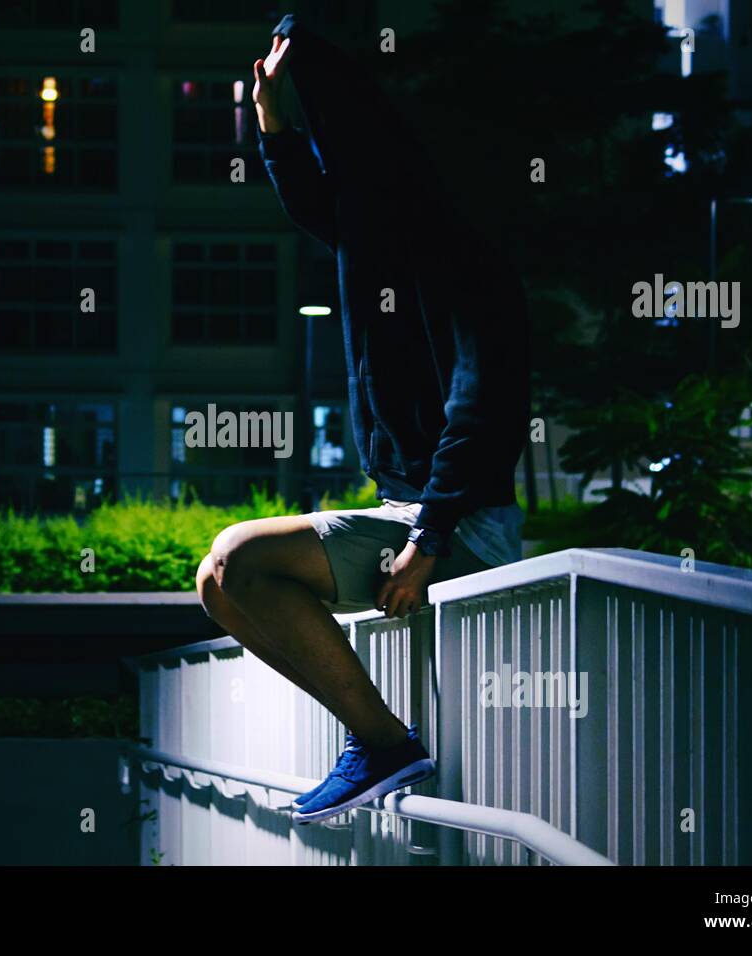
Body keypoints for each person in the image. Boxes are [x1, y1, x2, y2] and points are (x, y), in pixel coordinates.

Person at [194, 15, 531, 825]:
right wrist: (273, 120)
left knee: (242, 556)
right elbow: (317, 200)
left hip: (460, 525)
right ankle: (373, 738)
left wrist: (429, 538)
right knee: (216, 581)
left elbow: (487, 405)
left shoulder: (455, 248)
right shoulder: (371, 230)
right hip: (407, 508)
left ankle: (383, 743)